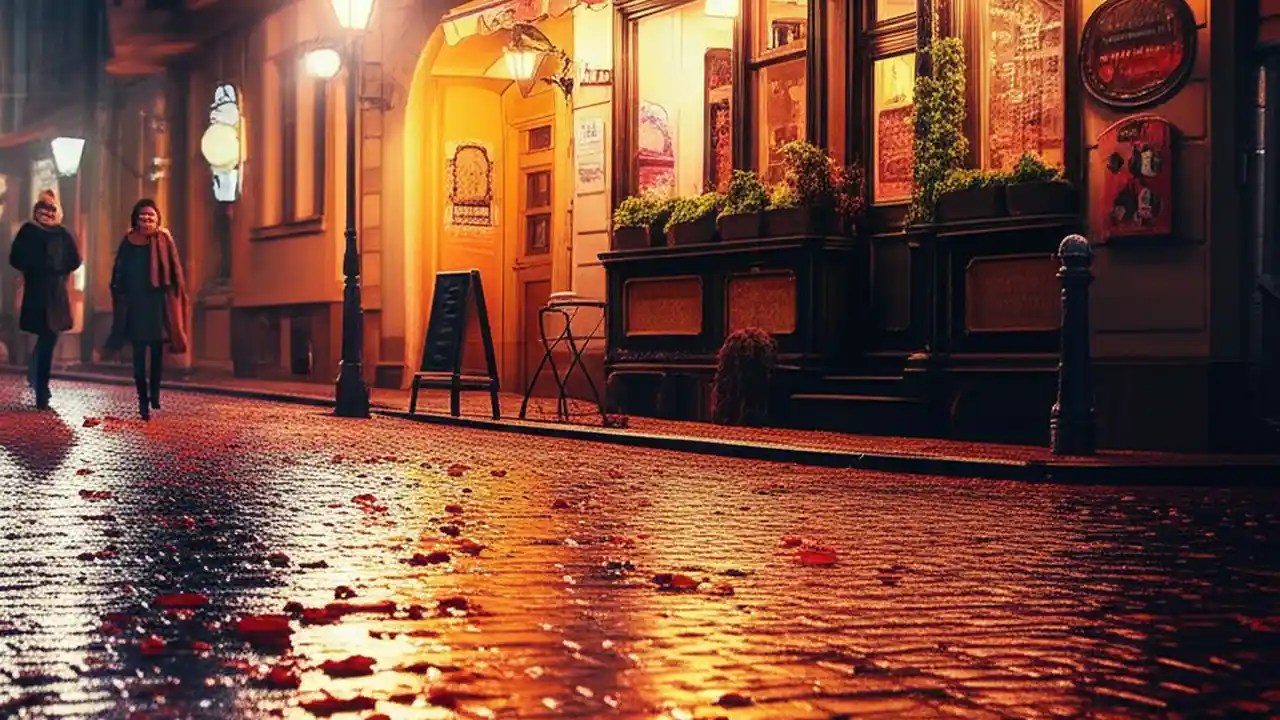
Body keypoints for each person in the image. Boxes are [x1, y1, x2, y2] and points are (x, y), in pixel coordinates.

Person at [105, 199, 188, 420]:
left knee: (157, 355)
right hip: (135, 305)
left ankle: (155, 393)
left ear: (157, 218)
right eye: (143, 216)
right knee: (139, 358)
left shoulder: (164, 239)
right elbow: (119, 269)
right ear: (136, 218)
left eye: (151, 216)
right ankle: (142, 400)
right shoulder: (128, 240)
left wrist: (177, 295)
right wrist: (118, 291)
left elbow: (175, 268)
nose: (147, 220)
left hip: (158, 303)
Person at [8, 190, 81, 410]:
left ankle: (38, 378)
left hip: (57, 293)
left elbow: (74, 259)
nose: (47, 214)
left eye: (51, 209)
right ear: (36, 211)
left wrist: (58, 269)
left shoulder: (63, 234)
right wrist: (35, 266)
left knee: (50, 337)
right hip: (36, 292)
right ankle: (41, 389)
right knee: (46, 336)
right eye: (42, 209)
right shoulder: (28, 231)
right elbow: (15, 258)